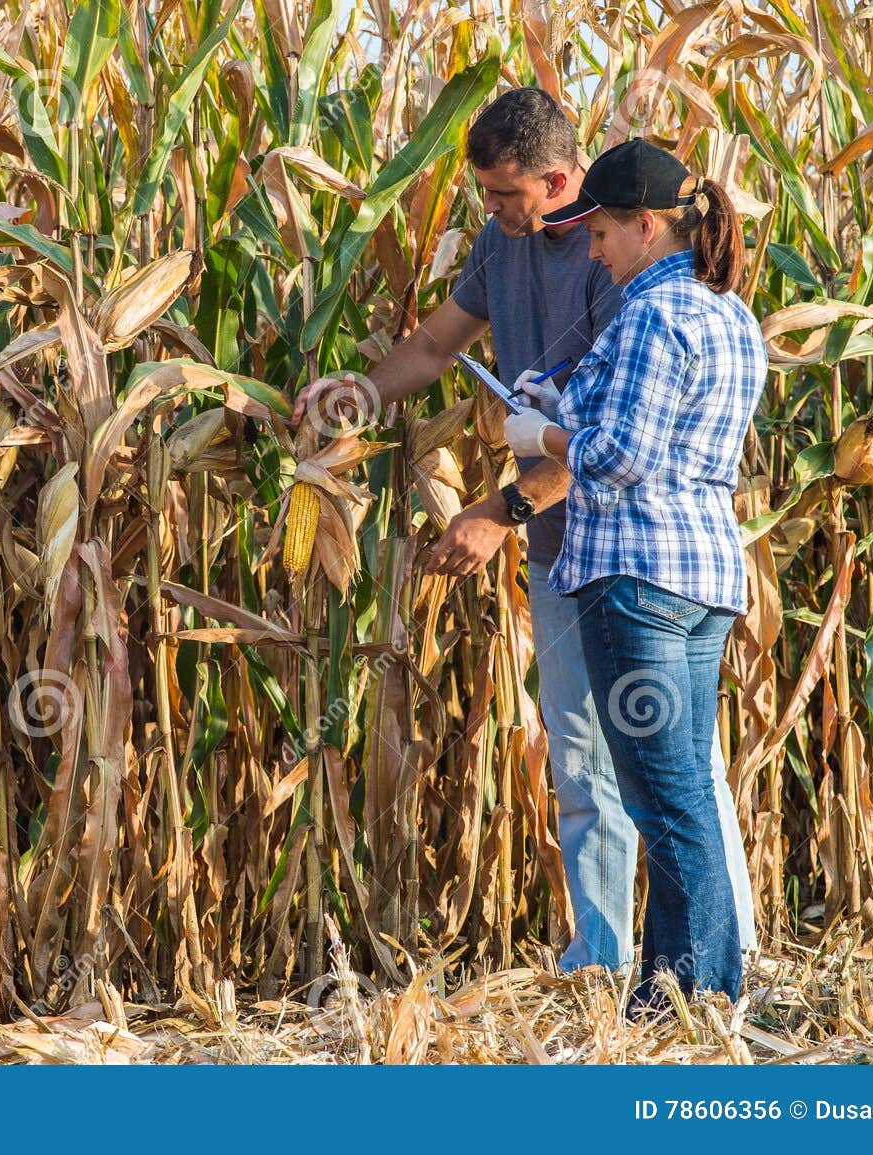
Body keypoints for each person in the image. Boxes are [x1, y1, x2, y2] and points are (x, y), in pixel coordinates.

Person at [292, 89, 756, 973]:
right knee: (587, 763)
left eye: (507, 196)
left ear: (559, 179)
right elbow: (433, 347)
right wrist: (354, 395)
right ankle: (607, 962)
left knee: (669, 775)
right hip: (573, 557)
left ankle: (715, 966)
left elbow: (613, 444)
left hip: (628, 558)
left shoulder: (621, 270)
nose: (494, 214)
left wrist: (502, 508)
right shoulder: (506, 247)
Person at [501, 138, 767, 1007]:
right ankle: (680, 991)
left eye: (605, 231)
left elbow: (618, 456)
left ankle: (693, 996)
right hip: (704, 579)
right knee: (683, 786)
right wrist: (555, 402)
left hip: (638, 579)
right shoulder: (728, 313)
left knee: (665, 802)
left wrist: (536, 440)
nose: (593, 247)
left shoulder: (650, 316)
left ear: (645, 225)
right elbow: (650, 426)